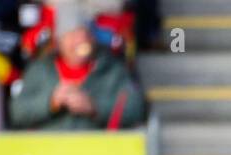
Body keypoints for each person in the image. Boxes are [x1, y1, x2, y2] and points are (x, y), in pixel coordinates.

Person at [8, 5, 143, 130]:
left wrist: (93, 107)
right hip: (48, 150)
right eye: (72, 36)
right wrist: (51, 102)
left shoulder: (112, 69)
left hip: (98, 150)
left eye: (85, 34)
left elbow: (136, 110)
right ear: (59, 41)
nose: (80, 41)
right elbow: (17, 113)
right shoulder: (39, 70)